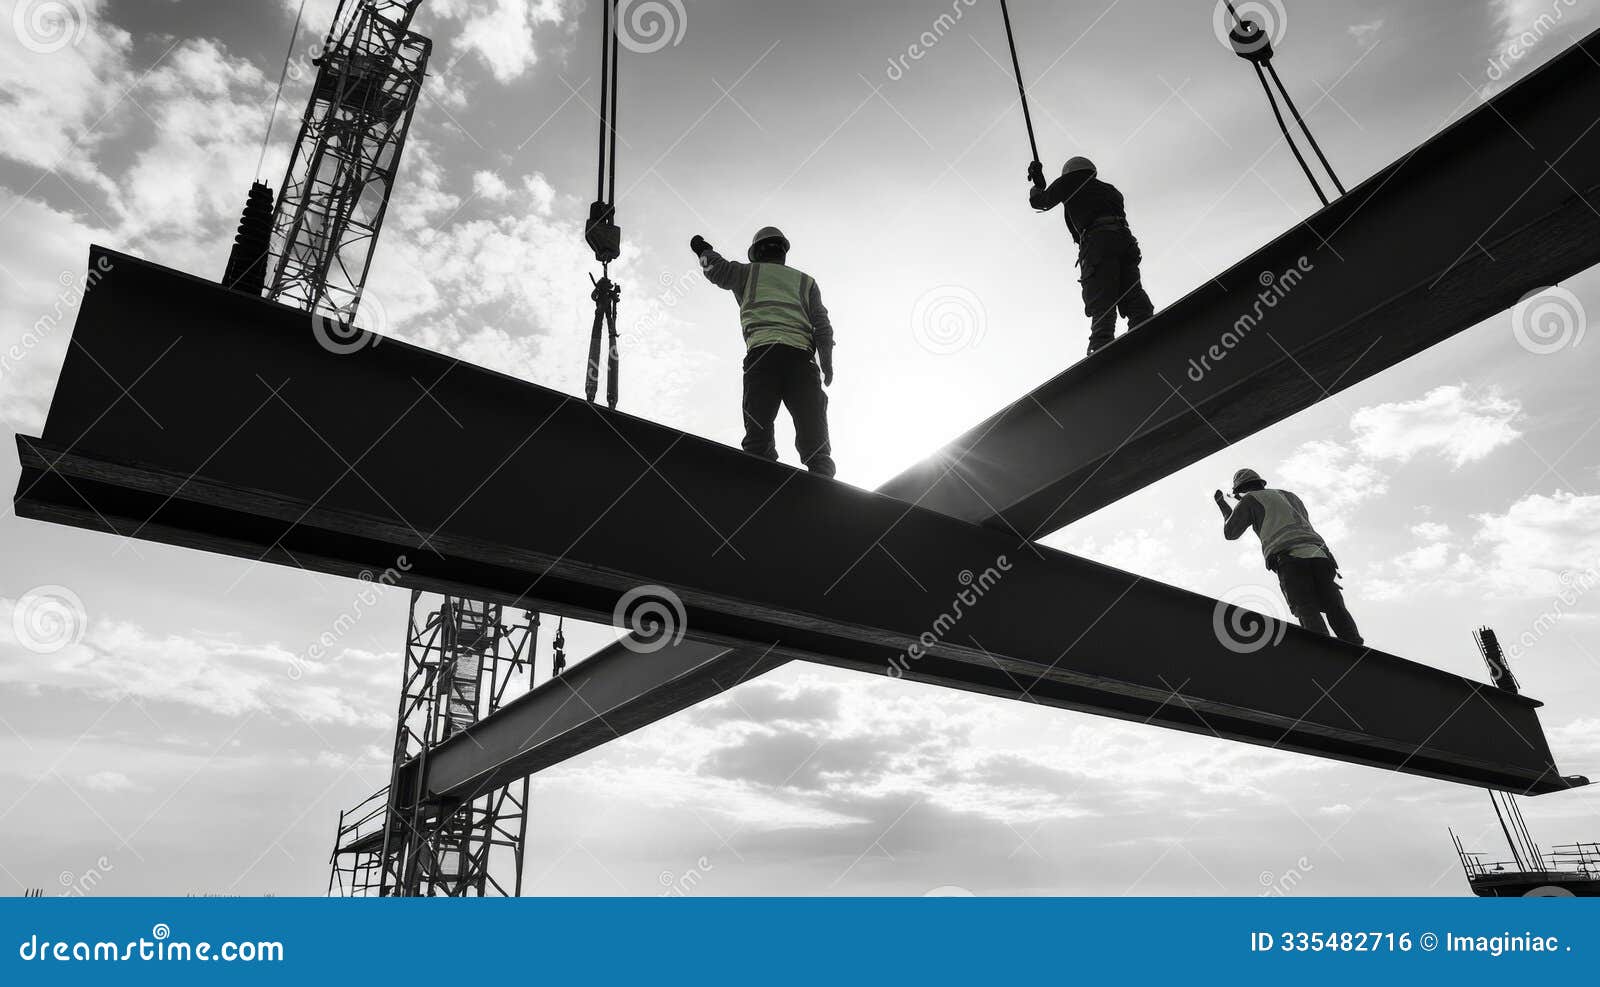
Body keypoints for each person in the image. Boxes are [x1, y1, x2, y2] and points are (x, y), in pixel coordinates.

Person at [690, 226, 837, 477]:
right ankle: (821, 478)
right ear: (783, 251)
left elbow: (716, 270)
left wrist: (702, 250)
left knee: (758, 435)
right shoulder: (806, 282)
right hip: (801, 361)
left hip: (763, 357)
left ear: (756, 252)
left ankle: (761, 480)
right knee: (813, 431)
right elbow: (822, 326)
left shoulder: (747, 273)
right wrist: (826, 362)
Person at [1215, 468, 1363, 645]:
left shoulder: (1249, 500)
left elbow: (1230, 532)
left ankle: (1322, 650)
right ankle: (1355, 646)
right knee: (1334, 605)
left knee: (1306, 607)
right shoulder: (1290, 496)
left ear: (1241, 489)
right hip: (1320, 555)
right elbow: (1277, 512)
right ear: (1261, 482)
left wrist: (1223, 505)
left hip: (1289, 558)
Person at [1028, 156, 1155, 356]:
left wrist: (1038, 185)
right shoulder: (1111, 190)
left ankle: (1102, 346)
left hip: (1098, 244)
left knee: (1102, 299)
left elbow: (1040, 202)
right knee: (1131, 290)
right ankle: (1144, 328)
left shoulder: (1069, 182)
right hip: (1125, 241)